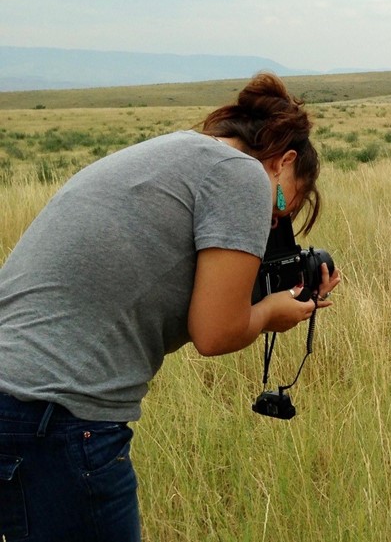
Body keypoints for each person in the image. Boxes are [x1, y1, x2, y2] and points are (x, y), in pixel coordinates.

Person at [0, 72, 343, 541]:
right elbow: (215, 332)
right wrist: (270, 315)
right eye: (280, 211)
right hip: (59, 415)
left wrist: (272, 292)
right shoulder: (242, 174)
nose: (269, 221)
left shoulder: (177, 152)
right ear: (283, 162)